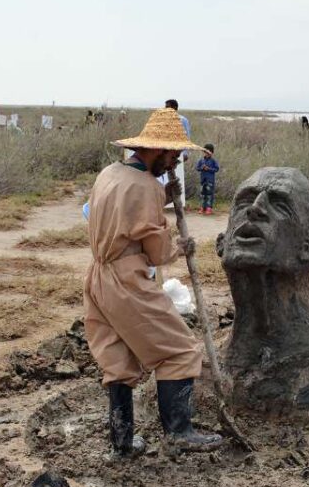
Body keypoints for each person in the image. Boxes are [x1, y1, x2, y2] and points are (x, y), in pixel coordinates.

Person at [84, 107, 223, 456]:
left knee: (116, 360)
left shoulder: (110, 173)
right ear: (156, 149)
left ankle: (122, 443)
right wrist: (178, 245)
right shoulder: (146, 187)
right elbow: (158, 252)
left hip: (99, 275)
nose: (175, 162)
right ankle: (179, 432)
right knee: (179, 349)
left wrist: (164, 193)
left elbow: (121, 213)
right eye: (174, 155)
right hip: (128, 280)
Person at [160, 99, 190, 209]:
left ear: (174, 108)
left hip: (177, 153)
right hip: (165, 154)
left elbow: (186, 137)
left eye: (167, 107)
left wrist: (185, 152)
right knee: (165, 178)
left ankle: (178, 206)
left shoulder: (182, 120)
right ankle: (165, 203)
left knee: (175, 179)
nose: (165, 109)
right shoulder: (163, 121)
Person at [195, 143, 219, 215]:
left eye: (208, 152)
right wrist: (202, 168)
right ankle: (202, 207)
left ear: (212, 152)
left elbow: (216, 169)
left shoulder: (213, 161)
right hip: (203, 180)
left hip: (210, 180)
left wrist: (209, 169)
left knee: (209, 194)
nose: (207, 153)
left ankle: (209, 208)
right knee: (202, 194)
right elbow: (197, 168)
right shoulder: (201, 160)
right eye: (205, 152)